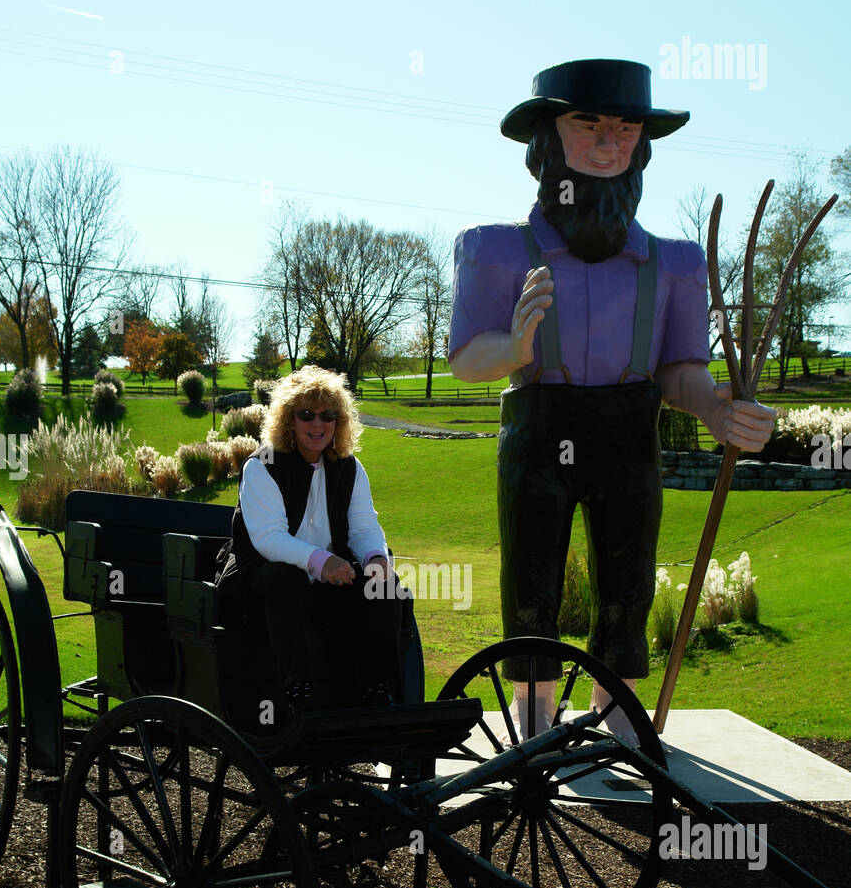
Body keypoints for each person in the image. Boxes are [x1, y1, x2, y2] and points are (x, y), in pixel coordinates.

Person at [448, 58, 775, 741]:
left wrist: (718, 409)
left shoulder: (676, 263)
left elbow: (680, 372)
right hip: (541, 430)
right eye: (587, 123)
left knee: (627, 583)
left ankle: (616, 715)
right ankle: (534, 725)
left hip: (629, 434)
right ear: (548, 136)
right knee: (531, 580)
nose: (608, 142)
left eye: (625, 128)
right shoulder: (497, 250)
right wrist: (510, 349)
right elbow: (464, 361)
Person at [215, 365, 402, 713]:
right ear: (288, 420)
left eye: (328, 416)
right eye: (306, 415)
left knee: (383, 583)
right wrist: (321, 560)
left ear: (339, 421)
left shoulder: (349, 467)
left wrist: (376, 558)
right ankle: (296, 692)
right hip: (259, 585)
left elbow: (363, 527)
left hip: (325, 587)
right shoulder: (262, 466)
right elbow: (269, 539)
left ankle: (376, 689)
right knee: (287, 579)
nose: (318, 425)